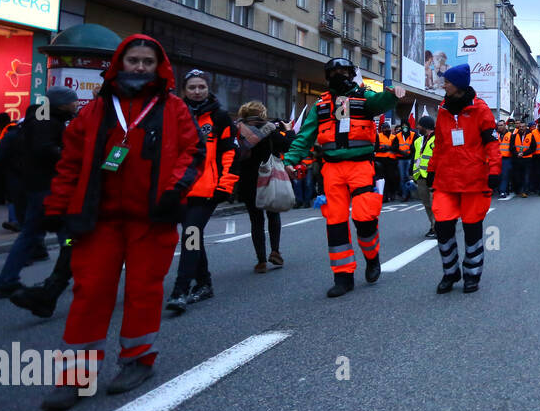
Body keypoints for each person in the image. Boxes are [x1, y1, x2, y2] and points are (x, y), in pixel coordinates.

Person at [39, 35, 204, 411]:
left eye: (148, 61)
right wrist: (56, 206)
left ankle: (138, 360)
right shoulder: (94, 110)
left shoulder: (174, 108)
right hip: (99, 218)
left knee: (143, 291)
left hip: (153, 216)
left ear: (159, 66)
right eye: (134, 60)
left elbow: (193, 152)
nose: (141, 67)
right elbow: (69, 163)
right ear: (120, 63)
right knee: (90, 291)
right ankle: (74, 378)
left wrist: (174, 191)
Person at [284, 57, 402, 297]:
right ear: (327, 76)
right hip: (332, 169)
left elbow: (380, 103)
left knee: (364, 218)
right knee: (336, 224)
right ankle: (343, 277)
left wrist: (392, 95)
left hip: (360, 166)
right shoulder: (320, 105)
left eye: (344, 71)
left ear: (351, 74)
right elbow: (305, 136)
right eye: (334, 71)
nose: (340, 75)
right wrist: (290, 160)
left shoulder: (364, 97)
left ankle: (372, 258)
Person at [0, 87, 79, 299]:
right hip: (48, 190)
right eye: (73, 101)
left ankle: (8, 279)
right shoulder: (45, 122)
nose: (76, 104)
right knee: (66, 235)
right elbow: (45, 150)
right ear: (60, 103)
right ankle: (72, 274)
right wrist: (68, 156)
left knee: (39, 234)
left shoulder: (43, 119)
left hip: (40, 188)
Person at [424, 64, 500, 293]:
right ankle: (450, 272)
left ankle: (472, 275)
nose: (443, 84)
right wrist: (432, 169)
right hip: (446, 180)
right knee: (444, 227)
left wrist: (495, 171)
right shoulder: (444, 109)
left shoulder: (481, 110)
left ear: (457, 85)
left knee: (472, 229)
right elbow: (439, 145)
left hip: (474, 180)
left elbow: (492, 143)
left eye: (446, 82)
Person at [165, 70, 236, 314]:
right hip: (180, 189)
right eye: (192, 87)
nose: (197, 91)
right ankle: (204, 283)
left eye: (201, 87)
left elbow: (230, 154)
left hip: (207, 190)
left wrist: (225, 186)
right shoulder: (174, 114)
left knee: (191, 235)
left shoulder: (220, 117)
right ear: (184, 90)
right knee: (191, 237)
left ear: (208, 88)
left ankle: (180, 290)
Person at [229, 101, 292, 274]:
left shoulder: (236, 130)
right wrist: (288, 130)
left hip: (247, 181)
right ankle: (275, 251)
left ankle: (261, 261)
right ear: (262, 113)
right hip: (268, 178)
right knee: (273, 215)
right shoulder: (270, 129)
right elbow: (287, 145)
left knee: (256, 221)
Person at [412, 116, 436, 237]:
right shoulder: (418, 141)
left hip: (434, 176)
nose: (417, 127)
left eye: (419, 125)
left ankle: (438, 227)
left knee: (435, 204)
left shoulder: (437, 139)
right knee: (427, 204)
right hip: (420, 176)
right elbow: (415, 158)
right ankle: (433, 226)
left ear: (425, 126)